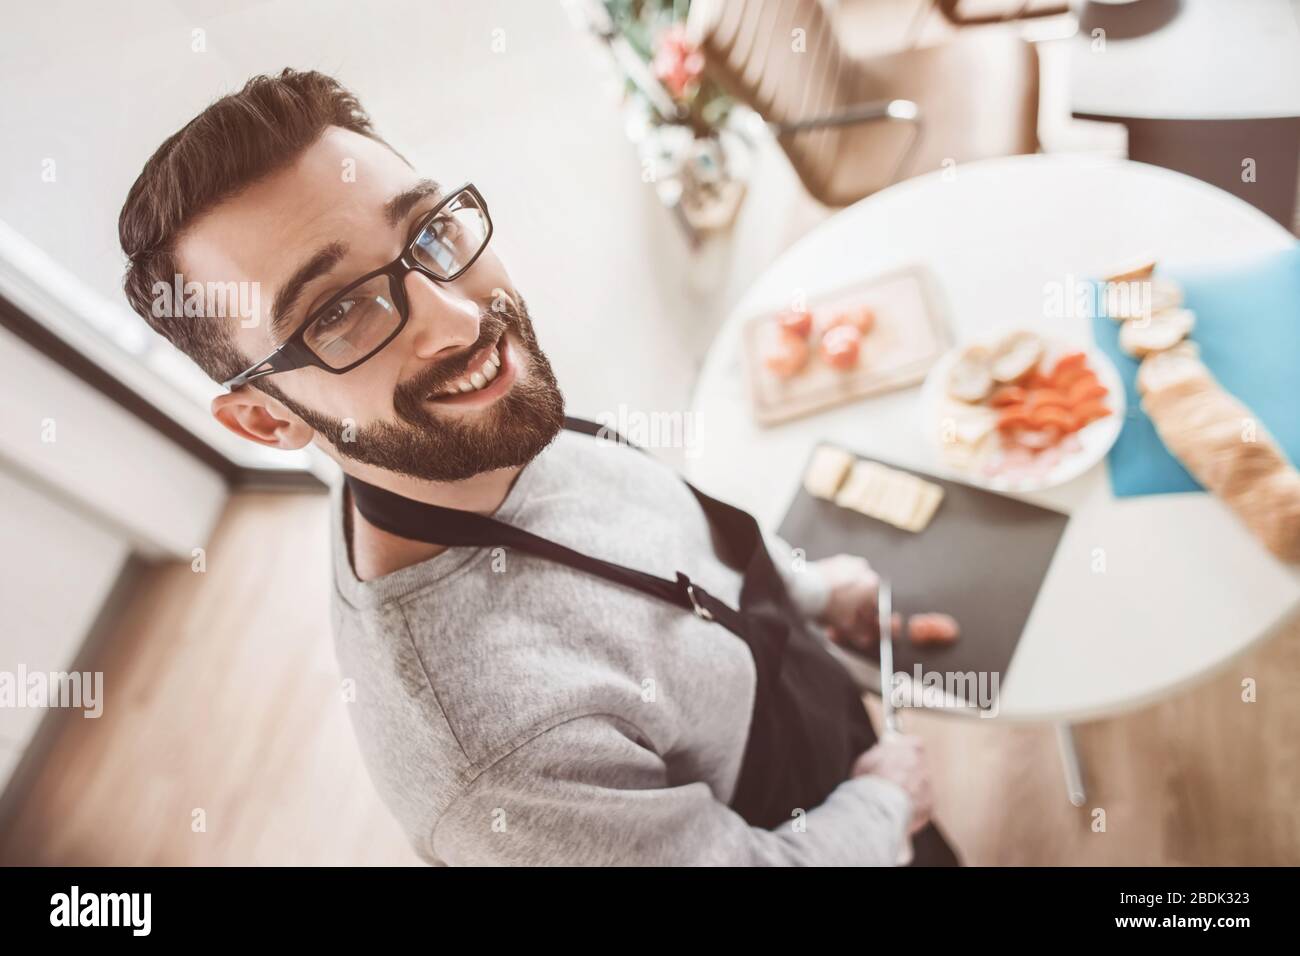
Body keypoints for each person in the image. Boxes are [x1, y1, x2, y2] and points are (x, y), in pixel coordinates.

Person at [118, 69, 957, 866]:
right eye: (338, 312)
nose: (457, 317)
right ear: (267, 417)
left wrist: (810, 599)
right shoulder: (488, 758)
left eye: (427, 233)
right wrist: (883, 808)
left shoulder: (472, 428)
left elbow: (651, 542)